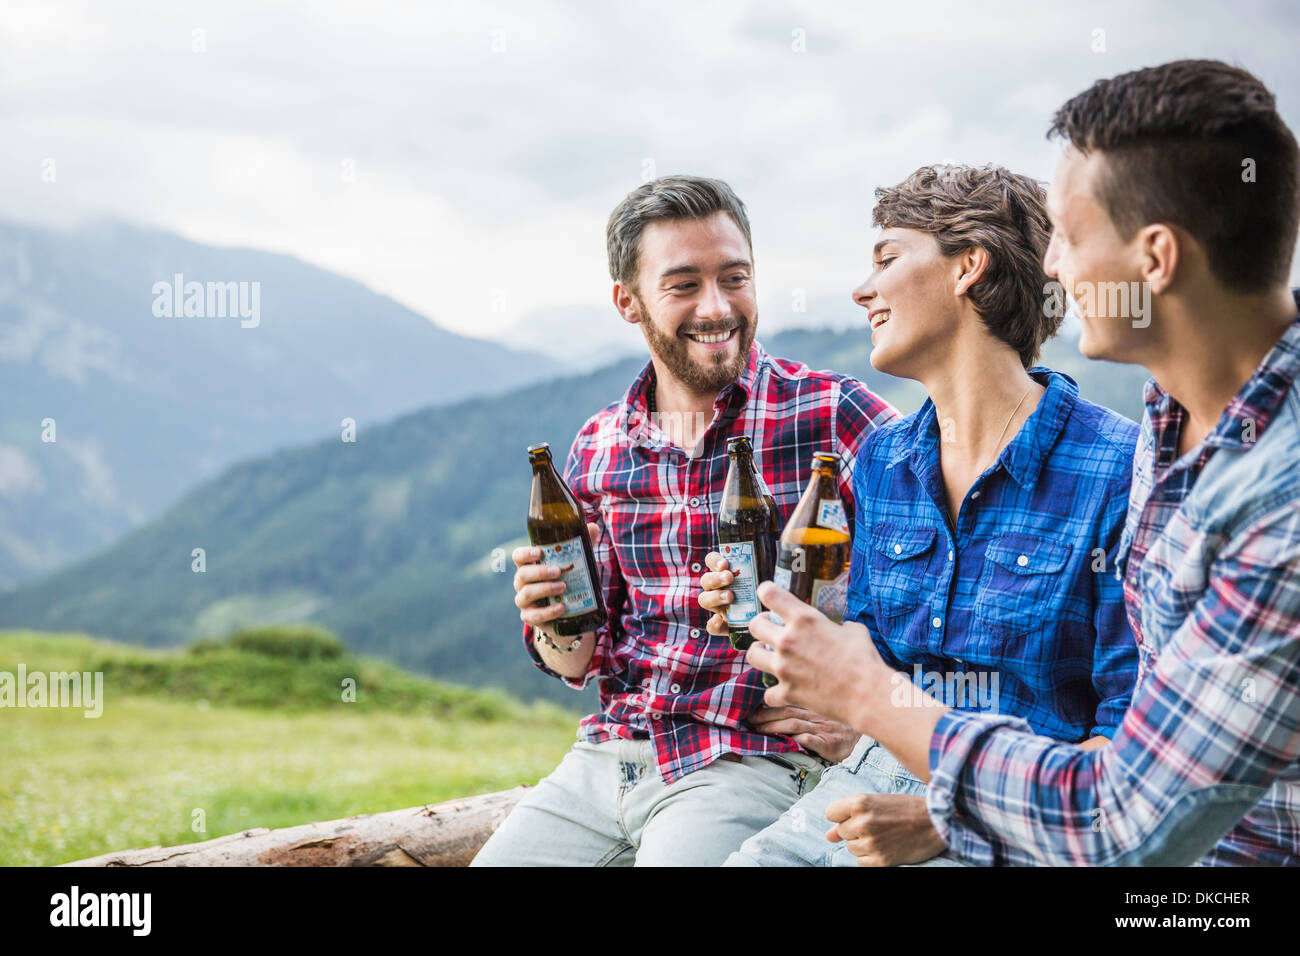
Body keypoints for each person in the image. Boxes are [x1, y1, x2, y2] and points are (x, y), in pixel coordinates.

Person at [748, 58, 1300, 866]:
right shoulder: (1169, 427)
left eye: (1071, 237)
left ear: (1156, 259)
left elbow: (1132, 825)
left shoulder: (1277, 499)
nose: (1049, 267)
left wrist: (877, 704)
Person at [698, 163, 1140, 866]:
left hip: (1024, 826)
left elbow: (1129, 742)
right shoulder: (882, 462)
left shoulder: (1119, 468)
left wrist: (955, 819)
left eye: (886, 258)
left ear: (969, 267)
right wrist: (776, 612)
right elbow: (873, 660)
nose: (861, 288)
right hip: (861, 789)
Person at [471, 174, 896, 866]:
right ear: (627, 302)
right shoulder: (599, 446)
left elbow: (942, 580)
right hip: (608, 759)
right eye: (684, 285)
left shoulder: (836, 416)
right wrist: (551, 619)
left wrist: (865, 706)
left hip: (747, 759)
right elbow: (578, 658)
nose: (717, 306)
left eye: (735, 278)